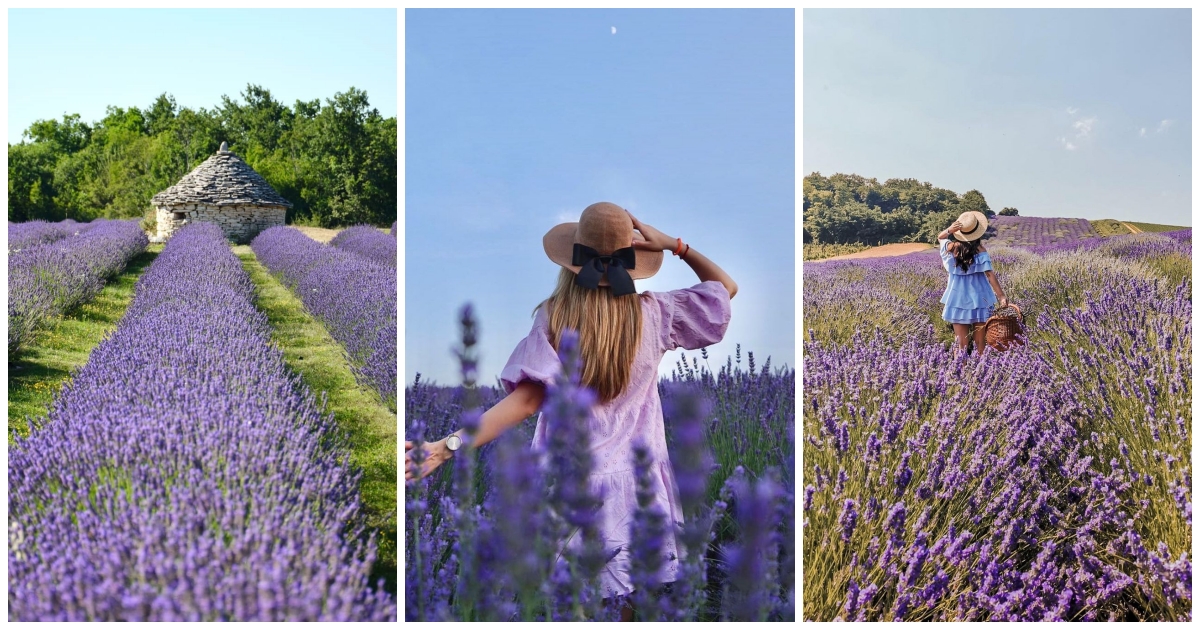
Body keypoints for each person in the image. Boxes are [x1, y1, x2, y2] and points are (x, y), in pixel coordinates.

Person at [405, 201, 737, 620]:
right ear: (633, 259)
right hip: (641, 491)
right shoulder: (655, 314)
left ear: (570, 262)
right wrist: (676, 246)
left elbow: (525, 402)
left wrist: (445, 447)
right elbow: (725, 290)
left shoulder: (555, 317)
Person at [937, 211, 1008, 353]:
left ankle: (960, 373)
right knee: (980, 342)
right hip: (980, 299)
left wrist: (950, 229)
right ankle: (980, 372)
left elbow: (941, 237)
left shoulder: (950, 248)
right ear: (977, 232)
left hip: (958, 299)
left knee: (960, 344)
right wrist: (1001, 296)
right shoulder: (980, 250)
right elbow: (990, 275)